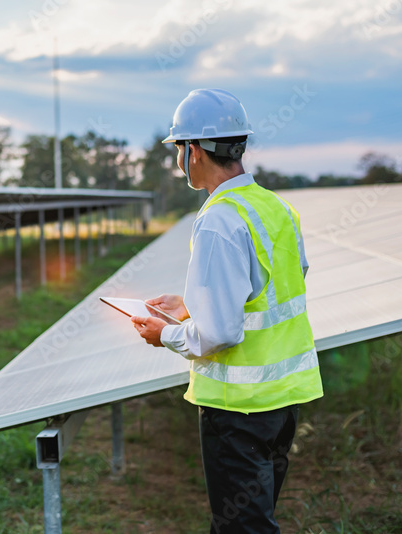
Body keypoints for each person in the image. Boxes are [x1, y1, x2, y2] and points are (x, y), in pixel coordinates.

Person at [131, 89, 324, 533]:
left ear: (194, 151)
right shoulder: (276, 206)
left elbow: (219, 333)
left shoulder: (219, 218)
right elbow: (282, 283)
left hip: (239, 410)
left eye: (180, 148)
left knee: (243, 528)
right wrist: (191, 305)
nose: (180, 157)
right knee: (253, 519)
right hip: (283, 402)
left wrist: (165, 334)